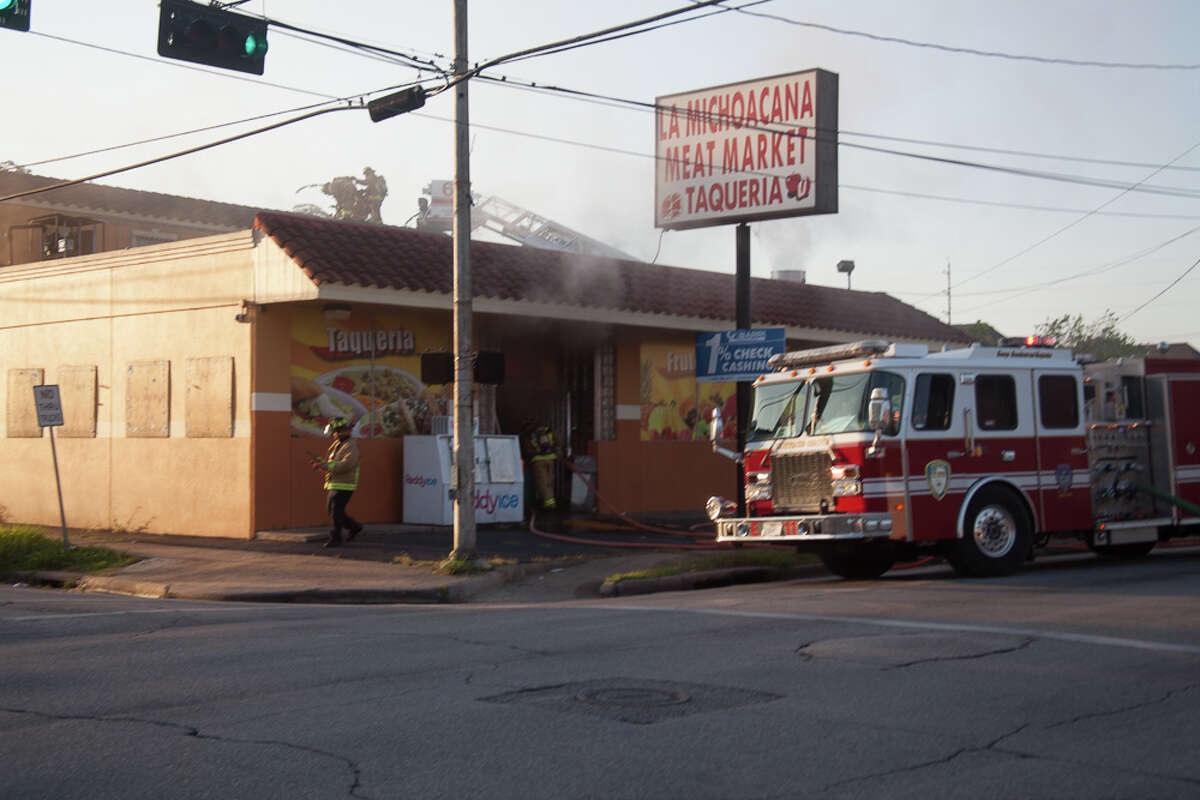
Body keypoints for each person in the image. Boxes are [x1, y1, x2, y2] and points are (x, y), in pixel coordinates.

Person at [310, 417, 363, 547]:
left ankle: (336, 537)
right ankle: (354, 527)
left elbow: (346, 465)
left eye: (335, 432)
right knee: (333, 510)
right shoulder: (337, 445)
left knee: (335, 511)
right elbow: (332, 464)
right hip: (334, 483)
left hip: (345, 485)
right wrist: (321, 464)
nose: (333, 435)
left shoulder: (351, 446)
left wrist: (326, 466)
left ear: (342, 431)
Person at [522, 421, 560, 512]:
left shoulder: (530, 435)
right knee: (549, 482)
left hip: (538, 461)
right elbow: (558, 442)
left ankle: (549, 505)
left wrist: (530, 457)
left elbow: (527, 449)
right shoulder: (548, 432)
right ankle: (547, 502)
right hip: (551, 459)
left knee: (542, 483)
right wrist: (557, 453)